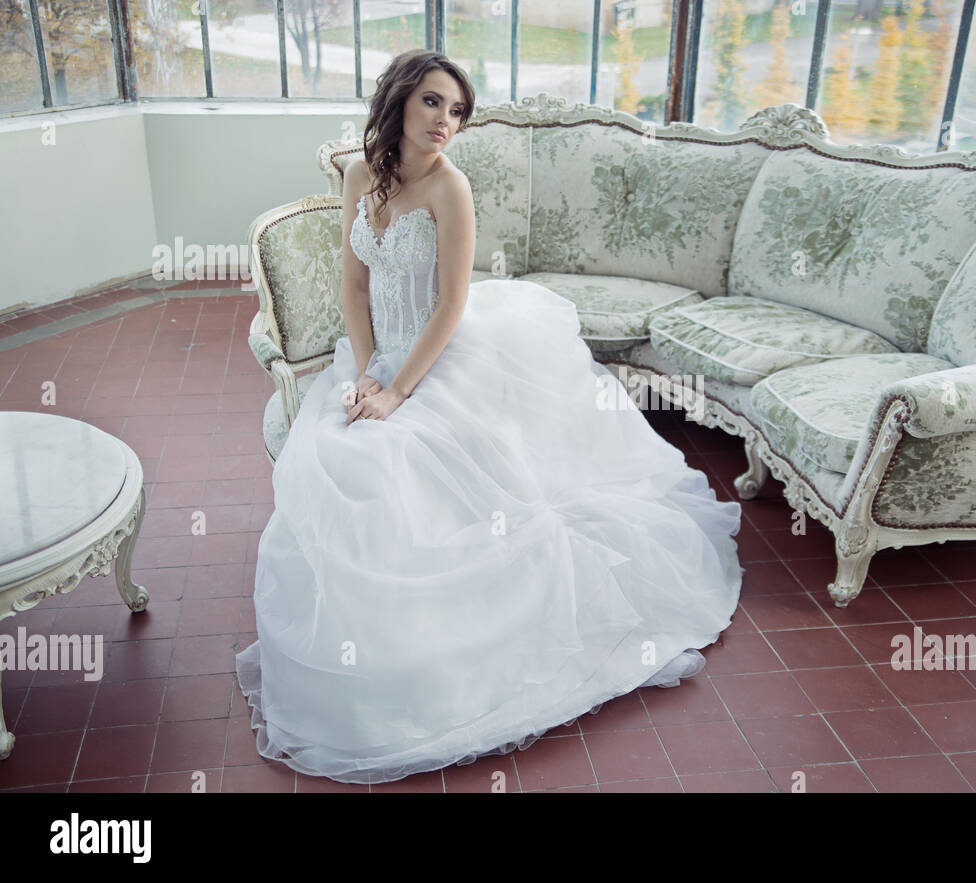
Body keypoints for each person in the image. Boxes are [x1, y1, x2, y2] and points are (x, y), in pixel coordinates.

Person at [234, 49, 744, 784]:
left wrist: (399, 390)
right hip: (380, 357)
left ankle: (444, 647)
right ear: (401, 102)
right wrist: (368, 367)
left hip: (441, 357)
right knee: (337, 452)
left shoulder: (451, 188)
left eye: (458, 110)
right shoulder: (360, 175)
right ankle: (374, 640)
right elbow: (354, 282)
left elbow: (450, 305)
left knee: (396, 457)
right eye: (434, 103)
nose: (447, 122)